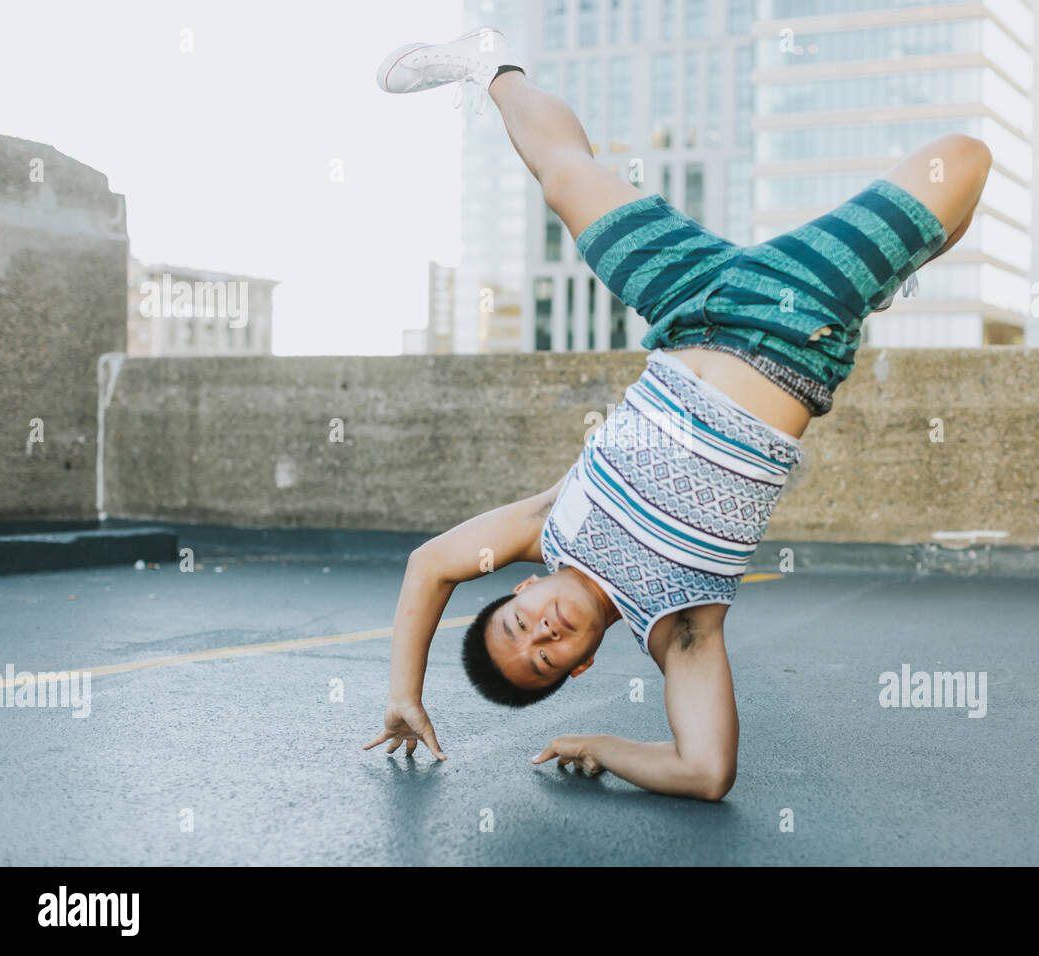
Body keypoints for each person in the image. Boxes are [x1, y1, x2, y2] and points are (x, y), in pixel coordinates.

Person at [364, 27, 991, 800]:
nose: (541, 634)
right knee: (963, 159)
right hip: (793, 325)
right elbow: (706, 772)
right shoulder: (679, 628)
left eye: (517, 625)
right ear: (582, 663)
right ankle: (882, 277)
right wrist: (606, 746)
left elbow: (428, 565)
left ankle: (493, 65)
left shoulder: (546, 526)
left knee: (566, 178)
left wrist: (405, 694)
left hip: (686, 302)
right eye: (545, 660)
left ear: (519, 590)